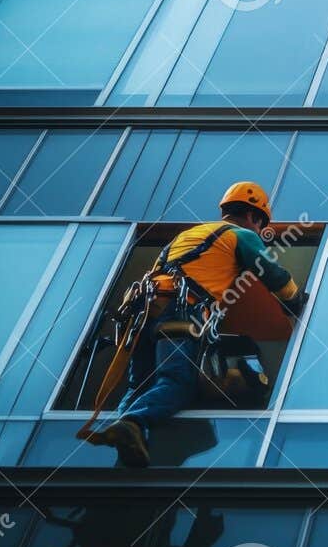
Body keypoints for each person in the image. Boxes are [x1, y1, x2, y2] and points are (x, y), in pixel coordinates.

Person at [83, 181, 306, 468]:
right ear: (254, 217)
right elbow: (271, 272)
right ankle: (133, 424)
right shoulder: (241, 235)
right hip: (179, 311)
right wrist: (295, 300)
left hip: (144, 313)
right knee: (177, 381)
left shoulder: (185, 237)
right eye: (259, 223)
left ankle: (128, 448)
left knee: (140, 383)